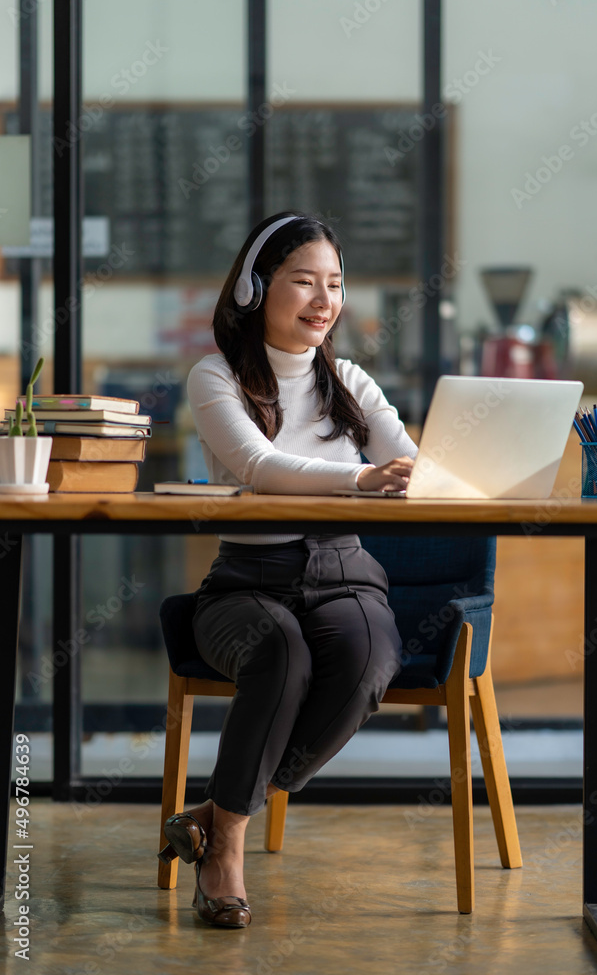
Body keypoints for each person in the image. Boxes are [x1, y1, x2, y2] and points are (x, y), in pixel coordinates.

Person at [158, 211, 417, 928]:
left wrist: (427, 468)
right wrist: (360, 481)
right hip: (247, 581)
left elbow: (416, 463)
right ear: (252, 289)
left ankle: (219, 812)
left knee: (369, 657)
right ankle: (226, 852)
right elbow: (258, 467)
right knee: (279, 654)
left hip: (345, 571)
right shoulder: (214, 376)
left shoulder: (352, 382)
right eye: (303, 281)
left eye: (333, 284)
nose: (322, 300)